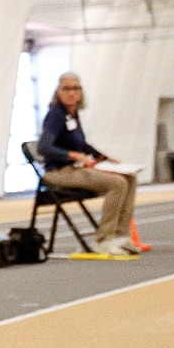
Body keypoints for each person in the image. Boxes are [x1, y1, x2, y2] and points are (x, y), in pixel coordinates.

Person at [37, 73, 139, 257]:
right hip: (59, 172)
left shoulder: (73, 115)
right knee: (117, 183)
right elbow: (44, 147)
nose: (71, 93)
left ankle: (121, 236)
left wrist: (104, 157)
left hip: (75, 168)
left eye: (76, 88)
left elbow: (82, 145)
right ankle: (104, 239)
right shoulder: (55, 116)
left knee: (130, 178)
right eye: (66, 88)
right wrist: (71, 155)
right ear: (58, 92)